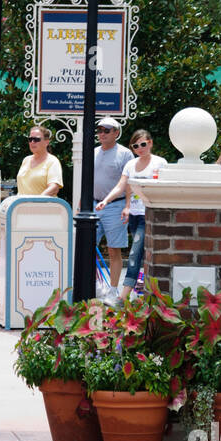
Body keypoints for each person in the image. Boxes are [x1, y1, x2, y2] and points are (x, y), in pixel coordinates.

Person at [97, 129, 168, 302]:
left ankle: (122, 297)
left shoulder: (160, 163)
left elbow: (164, 188)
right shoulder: (131, 164)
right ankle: (143, 292)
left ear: (150, 143)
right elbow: (122, 186)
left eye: (143, 144)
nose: (140, 148)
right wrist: (107, 201)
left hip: (149, 215)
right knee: (143, 254)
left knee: (135, 253)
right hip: (135, 215)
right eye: (136, 146)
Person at [91, 117, 133, 291]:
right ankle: (96, 285)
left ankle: (113, 290)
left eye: (107, 130)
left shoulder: (125, 154)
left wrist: (128, 206)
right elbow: (87, 180)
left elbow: (128, 182)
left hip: (116, 206)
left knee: (114, 250)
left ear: (116, 133)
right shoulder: (92, 152)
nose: (102, 134)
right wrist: (81, 204)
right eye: (100, 130)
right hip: (92, 205)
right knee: (86, 248)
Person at [16, 124, 62, 196]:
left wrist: (37, 201)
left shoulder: (52, 161)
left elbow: (54, 188)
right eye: (30, 139)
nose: (32, 142)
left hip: (43, 206)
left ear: (47, 142)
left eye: (36, 139)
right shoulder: (26, 160)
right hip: (23, 206)